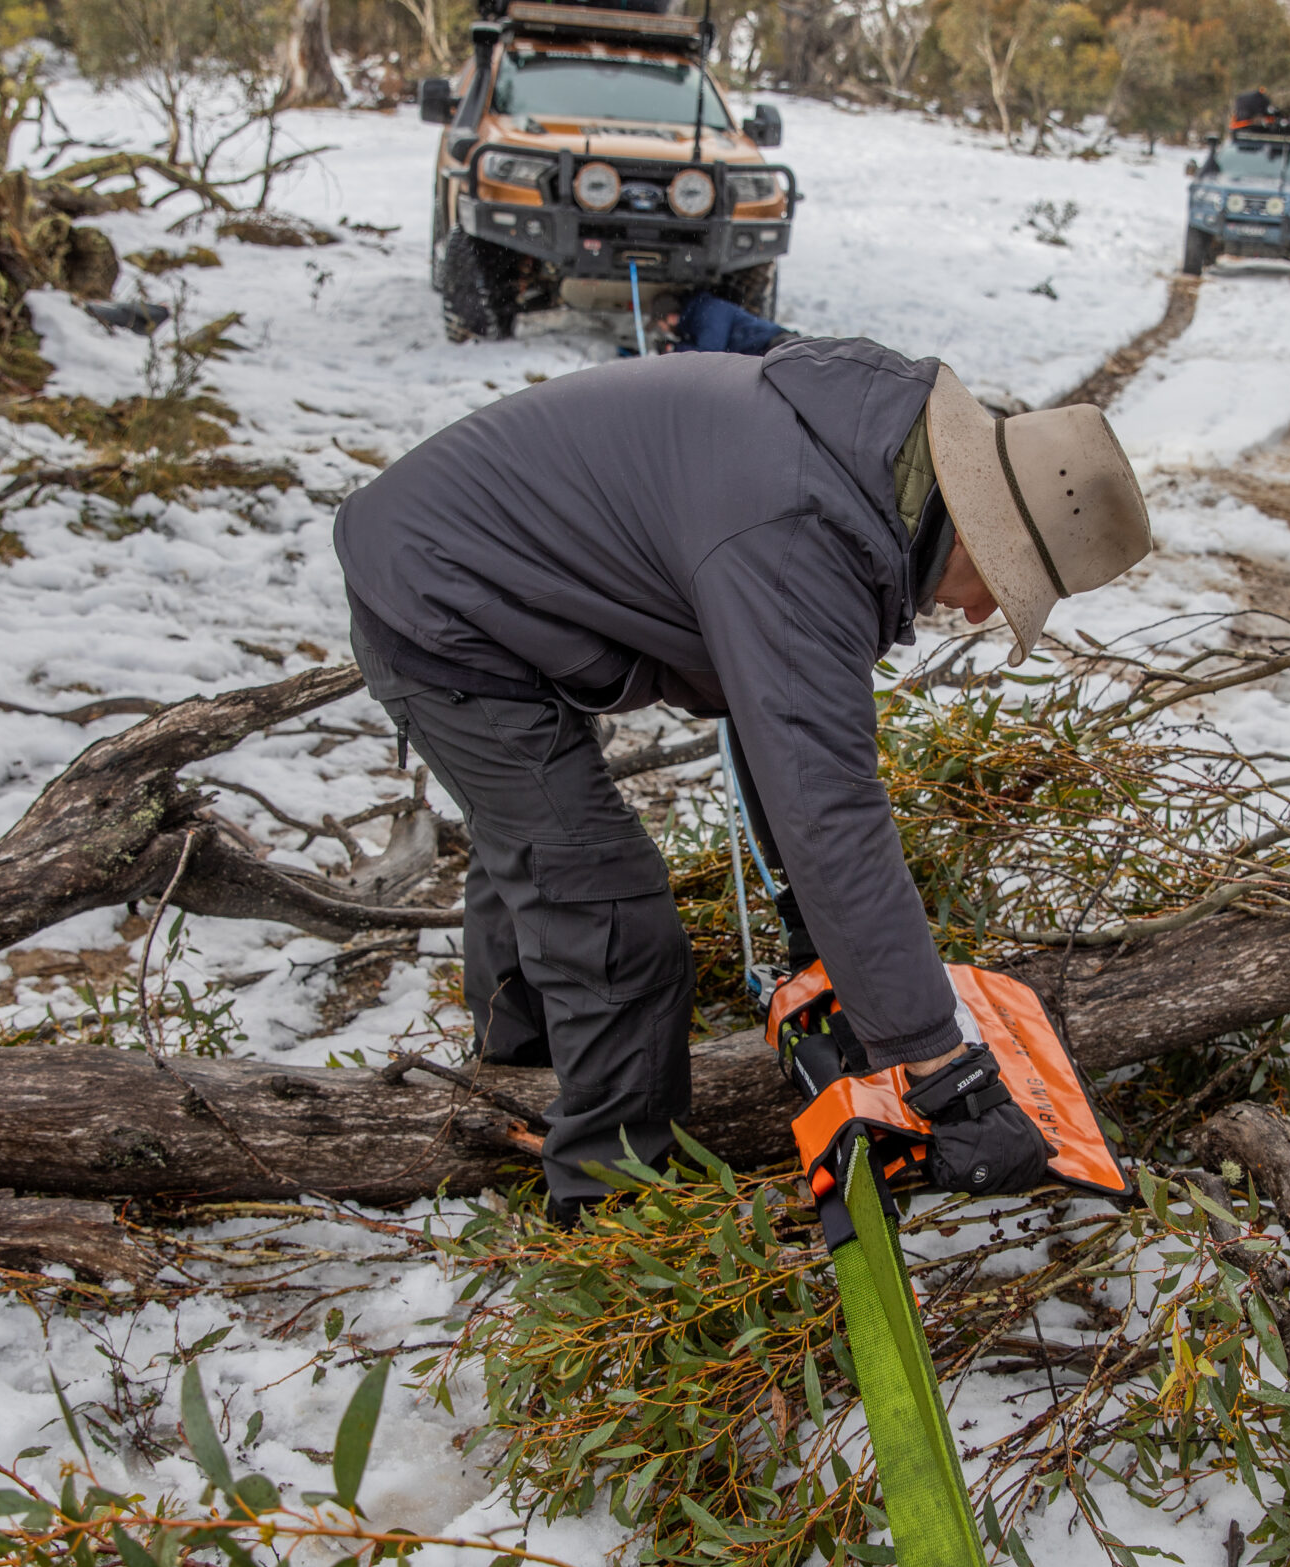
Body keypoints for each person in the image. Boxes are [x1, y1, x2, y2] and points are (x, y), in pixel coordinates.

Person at [334, 339, 1151, 1222]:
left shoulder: (864, 459)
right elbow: (828, 803)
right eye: (1002, 580)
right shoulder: (806, 532)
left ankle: (517, 1072)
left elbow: (785, 737)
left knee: (545, 841)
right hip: (442, 606)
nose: (985, 611)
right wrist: (943, 1072)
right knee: (614, 919)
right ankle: (607, 1223)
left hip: (463, 564)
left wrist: (816, 924)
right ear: (974, 519)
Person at [657, 286, 792, 355]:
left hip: (780, 347)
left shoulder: (708, 311)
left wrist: (675, 348)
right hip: (766, 354)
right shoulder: (696, 318)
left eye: (661, 326)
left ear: (670, 317)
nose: (663, 330)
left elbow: (710, 354)